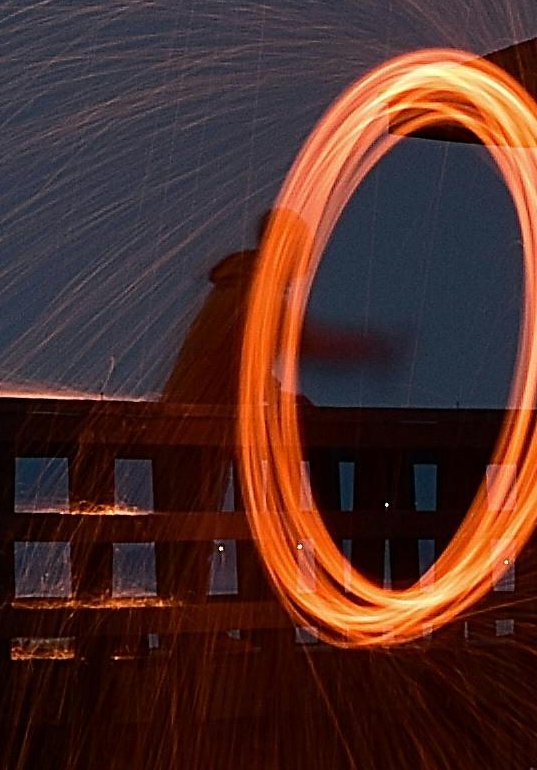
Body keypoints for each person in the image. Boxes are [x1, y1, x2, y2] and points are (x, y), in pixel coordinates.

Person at [158, 216, 400, 601]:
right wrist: (371, 349)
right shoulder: (255, 292)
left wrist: (281, 397)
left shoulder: (242, 286)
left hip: (191, 424)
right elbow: (302, 345)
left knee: (190, 532)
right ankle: (191, 617)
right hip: (197, 426)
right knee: (192, 532)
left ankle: (188, 617)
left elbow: (244, 365)